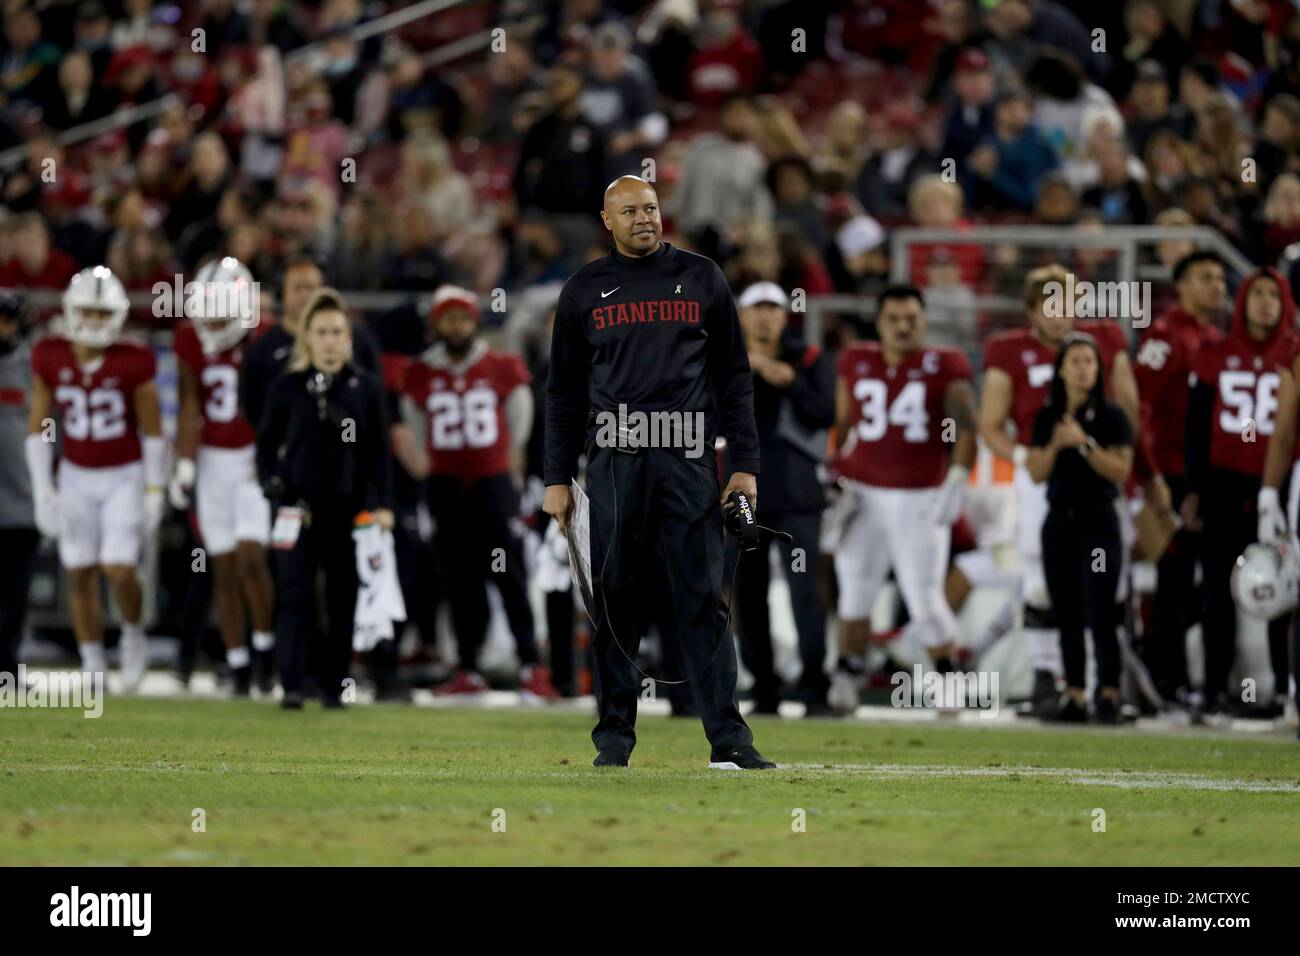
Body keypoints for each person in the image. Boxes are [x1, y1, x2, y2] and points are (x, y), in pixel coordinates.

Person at [542, 174, 775, 770]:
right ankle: (614, 742)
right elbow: (563, 393)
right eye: (630, 210)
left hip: (689, 458)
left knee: (704, 600)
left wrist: (745, 466)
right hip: (615, 461)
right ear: (607, 220)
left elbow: (734, 378)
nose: (644, 218)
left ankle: (729, 741)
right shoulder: (582, 290)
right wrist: (556, 478)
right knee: (617, 603)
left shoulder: (703, 277)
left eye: (651, 207)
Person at [977, 264, 1141, 715]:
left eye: (1067, 303)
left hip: (1101, 480)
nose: (1059, 314)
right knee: (1042, 585)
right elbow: (990, 424)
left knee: (1108, 591)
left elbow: (1128, 410)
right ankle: (1049, 677)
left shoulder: (1102, 341)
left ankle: (1109, 686)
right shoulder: (1009, 350)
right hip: (1044, 477)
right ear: (1031, 310)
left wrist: (1116, 456)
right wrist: (1023, 458)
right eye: (1049, 304)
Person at [390, 284, 560, 700]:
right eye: (449, 317)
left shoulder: (499, 365)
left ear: (474, 320)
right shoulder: (422, 372)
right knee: (459, 578)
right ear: (437, 323)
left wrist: (509, 455)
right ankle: (467, 666)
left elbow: (520, 414)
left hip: (493, 482)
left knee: (509, 573)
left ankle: (528, 665)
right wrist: (426, 462)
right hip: (446, 485)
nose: (457, 325)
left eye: (463, 317)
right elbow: (412, 421)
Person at [827, 285, 977, 713]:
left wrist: (959, 476)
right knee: (855, 593)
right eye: (894, 318)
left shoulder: (943, 364)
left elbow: (966, 427)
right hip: (863, 492)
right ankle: (846, 671)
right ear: (879, 323)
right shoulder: (856, 360)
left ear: (924, 320)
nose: (903, 326)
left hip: (920, 495)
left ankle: (948, 676)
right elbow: (841, 423)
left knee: (925, 597)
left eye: (911, 317)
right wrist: (831, 470)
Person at [25, 267, 166, 691]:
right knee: (80, 571)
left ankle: (133, 633)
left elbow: (153, 431)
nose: (94, 322)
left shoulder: (133, 361)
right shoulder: (51, 355)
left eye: (103, 314)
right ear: (70, 311)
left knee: (119, 569)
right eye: (87, 311)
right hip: (75, 475)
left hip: (124, 474)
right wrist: (43, 488)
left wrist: (155, 489)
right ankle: (91, 663)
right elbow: (41, 426)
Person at [256, 289, 394, 709]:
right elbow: (265, 445)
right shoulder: (287, 386)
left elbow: (378, 451)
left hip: (346, 508)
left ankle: (335, 685)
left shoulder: (366, 387)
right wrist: (271, 484)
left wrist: (382, 502)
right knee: (294, 593)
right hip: (296, 507)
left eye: (337, 331)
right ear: (308, 337)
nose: (331, 339)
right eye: (322, 332)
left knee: (342, 595)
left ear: (348, 336)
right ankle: (292, 684)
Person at [1185, 268, 1296, 721]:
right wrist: (1193, 489)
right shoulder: (1214, 352)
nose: (1266, 302)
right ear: (1243, 299)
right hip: (1224, 485)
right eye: (1258, 293)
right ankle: (1212, 693)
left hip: (1282, 485)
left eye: (1275, 294)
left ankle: (1286, 693)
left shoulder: (1294, 351)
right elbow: (1195, 428)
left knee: (1286, 593)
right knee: (1218, 591)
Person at [168, 257, 276, 696]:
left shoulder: (268, 339)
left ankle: (267, 651)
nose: (213, 319)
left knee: (253, 556)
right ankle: (238, 664)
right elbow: (189, 400)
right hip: (213, 458)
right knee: (224, 565)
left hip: (253, 457)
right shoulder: (189, 341)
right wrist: (185, 461)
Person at [729, 281, 835, 717]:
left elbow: (826, 413)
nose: (766, 316)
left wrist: (787, 379)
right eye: (758, 309)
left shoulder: (807, 359)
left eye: (774, 308)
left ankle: (815, 691)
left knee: (804, 593)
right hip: (743, 496)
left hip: (796, 495)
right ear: (743, 315)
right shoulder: (725, 358)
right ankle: (765, 690)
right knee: (748, 595)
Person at [1133, 251, 1229, 703]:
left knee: (1205, 580)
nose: (1216, 285)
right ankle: (1164, 678)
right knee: (1174, 577)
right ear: (1182, 286)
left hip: (1204, 477)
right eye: (1205, 277)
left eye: (1220, 278)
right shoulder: (1165, 336)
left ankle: (1166, 670)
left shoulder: (1215, 338)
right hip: (1167, 475)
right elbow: (1138, 407)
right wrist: (1148, 476)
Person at [1027, 333, 1134, 723]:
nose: (1083, 368)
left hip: (1098, 525)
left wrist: (1084, 444)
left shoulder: (1112, 416)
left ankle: (1108, 691)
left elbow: (1121, 470)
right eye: (1075, 361)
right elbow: (1035, 472)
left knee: (1100, 606)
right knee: (1066, 610)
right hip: (1060, 524)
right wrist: (1057, 444)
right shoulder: (1047, 417)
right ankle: (1074, 692)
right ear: (1060, 369)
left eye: (1090, 361)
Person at [238, 254, 381, 434]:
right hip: (289, 451)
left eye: (311, 287)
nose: (305, 295)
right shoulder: (263, 348)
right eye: (298, 288)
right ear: (282, 294)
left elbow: (373, 398)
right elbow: (253, 407)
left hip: (347, 445)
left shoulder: (358, 340)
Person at [0, 288, 39, 680]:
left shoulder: (33, 367)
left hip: (22, 500)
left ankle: (6, 667)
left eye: (6, 319)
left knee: (15, 594)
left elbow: (52, 430)